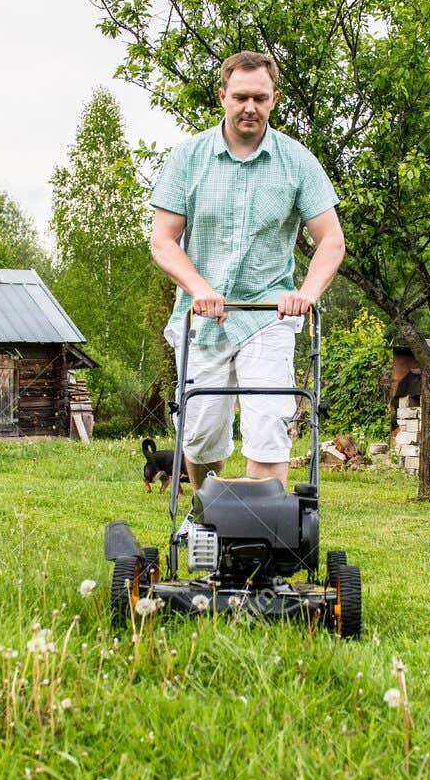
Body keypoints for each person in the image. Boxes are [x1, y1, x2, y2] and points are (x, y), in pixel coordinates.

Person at [148, 50, 346, 487]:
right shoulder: (189, 158)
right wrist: (198, 287)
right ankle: (206, 518)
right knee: (200, 435)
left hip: (269, 316)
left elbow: (330, 240)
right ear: (223, 96)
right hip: (203, 318)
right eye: (240, 97)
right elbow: (163, 240)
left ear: (274, 100)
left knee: (268, 426)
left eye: (260, 98)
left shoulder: (297, 162)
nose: (250, 107)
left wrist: (307, 294)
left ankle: (264, 538)